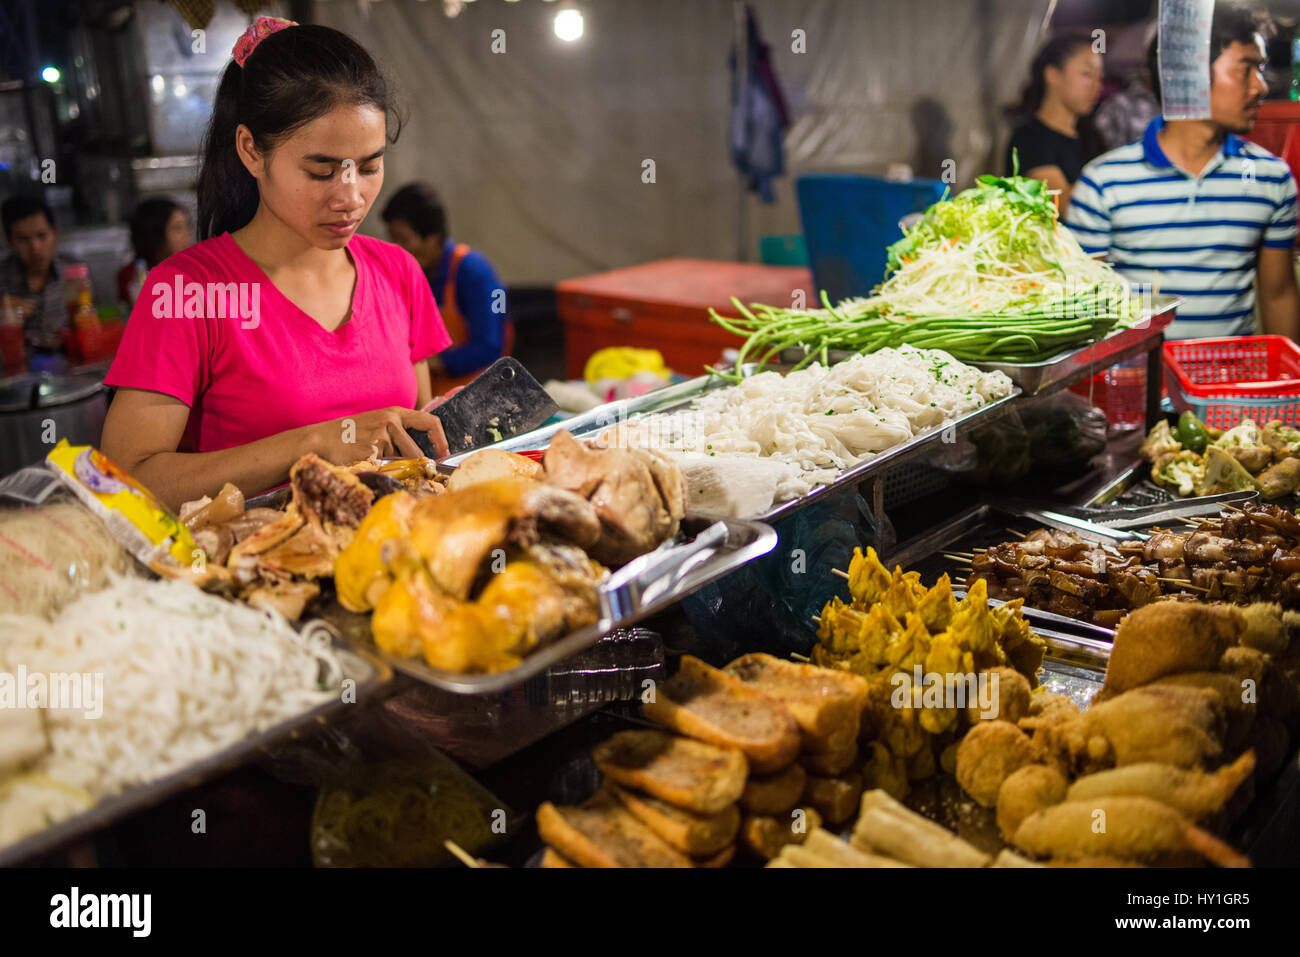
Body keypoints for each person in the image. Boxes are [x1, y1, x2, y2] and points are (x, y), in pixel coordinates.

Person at [100, 18, 450, 509]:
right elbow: (124, 482)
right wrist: (309, 444)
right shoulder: (186, 292)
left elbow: (411, 449)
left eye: (369, 166)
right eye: (321, 170)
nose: (351, 197)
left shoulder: (398, 271)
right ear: (251, 151)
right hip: (251, 575)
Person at [1066, 3, 1300, 341]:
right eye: (1246, 69)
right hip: (1140, 385)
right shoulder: (1104, 183)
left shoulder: (1270, 179)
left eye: (1260, 70)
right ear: (1187, 74)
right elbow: (1084, 306)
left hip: (1231, 385)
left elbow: (1278, 294)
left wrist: (1287, 386)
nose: (1261, 87)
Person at [381, 183, 510, 395]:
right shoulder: (407, 276)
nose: (396, 248)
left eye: (403, 239)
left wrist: (429, 361)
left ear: (432, 238)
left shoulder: (476, 272)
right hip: (431, 397)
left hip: (478, 395)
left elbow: (491, 347)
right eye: (392, 239)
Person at [1005, 32, 1104, 214]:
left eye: (1100, 77)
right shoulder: (1029, 139)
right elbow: (1061, 204)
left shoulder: (1092, 137)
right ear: (1052, 75)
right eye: (1087, 74)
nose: (1097, 86)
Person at [1, 195, 86, 350]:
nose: (35, 247)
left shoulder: (74, 271)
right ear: (9, 242)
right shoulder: (2, 278)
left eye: (42, 235)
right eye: (23, 239)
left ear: (55, 233)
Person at [117, 198, 194, 306]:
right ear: (154, 234)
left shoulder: (193, 273)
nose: (186, 235)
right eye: (177, 228)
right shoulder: (130, 276)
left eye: (187, 227)